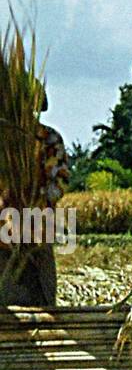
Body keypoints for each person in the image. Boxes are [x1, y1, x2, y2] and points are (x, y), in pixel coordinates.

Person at [0, 83, 69, 307]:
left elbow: (59, 183)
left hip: (37, 231)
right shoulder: (3, 140)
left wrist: (34, 203)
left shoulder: (49, 139)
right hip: (3, 232)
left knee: (42, 298)